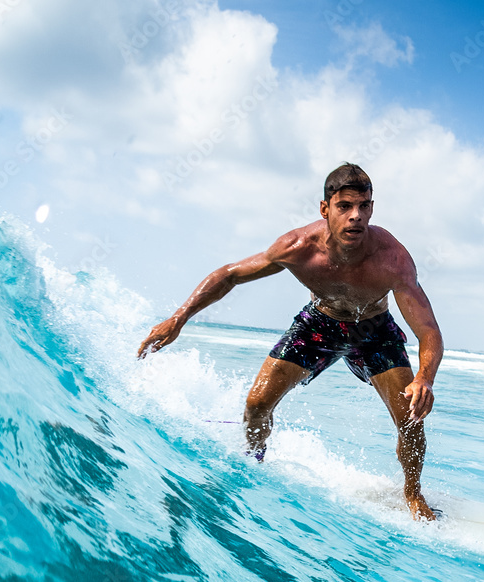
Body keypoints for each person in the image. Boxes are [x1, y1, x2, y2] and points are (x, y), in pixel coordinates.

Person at [137, 164, 443, 521]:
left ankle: (412, 493)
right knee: (256, 404)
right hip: (320, 323)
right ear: (324, 208)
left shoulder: (393, 260)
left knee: (411, 417)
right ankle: (254, 460)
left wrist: (425, 378)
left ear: (372, 209)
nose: (356, 216)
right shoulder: (298, 247)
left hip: (373, 330)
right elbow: (230, 274)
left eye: (364, 206)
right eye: (345, 206)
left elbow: (429, 331)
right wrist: (180, 316)